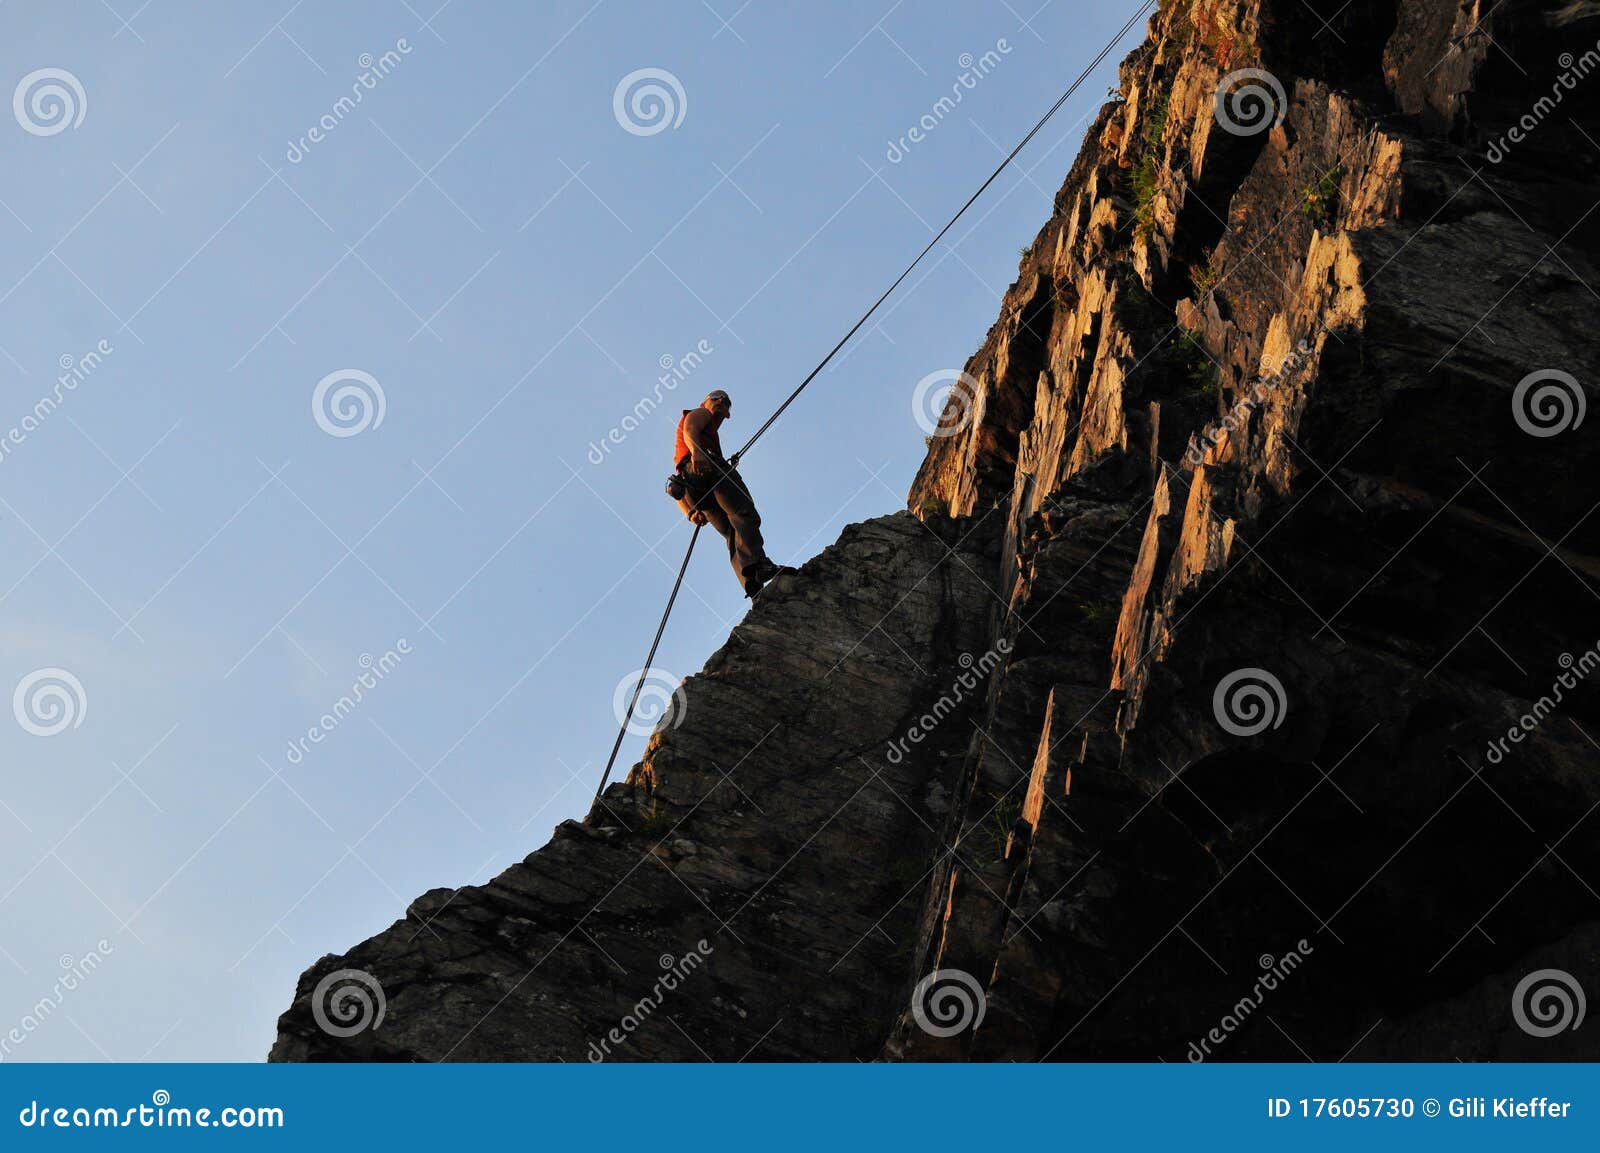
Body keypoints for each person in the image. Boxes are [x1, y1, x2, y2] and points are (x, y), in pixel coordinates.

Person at [674, 390, 781, 597]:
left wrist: (690, 512)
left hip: (692, 488)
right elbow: (690, 428)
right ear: (704, 402)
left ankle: (751, 585)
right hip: (706, 466)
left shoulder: (708, 436)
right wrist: (698, 452)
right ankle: (758, 565)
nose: (721, 400)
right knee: (744, 512)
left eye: (726, 401)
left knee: (733, 532)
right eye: (715, 396)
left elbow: (676, 484)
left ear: (728, 415)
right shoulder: (700, 413)